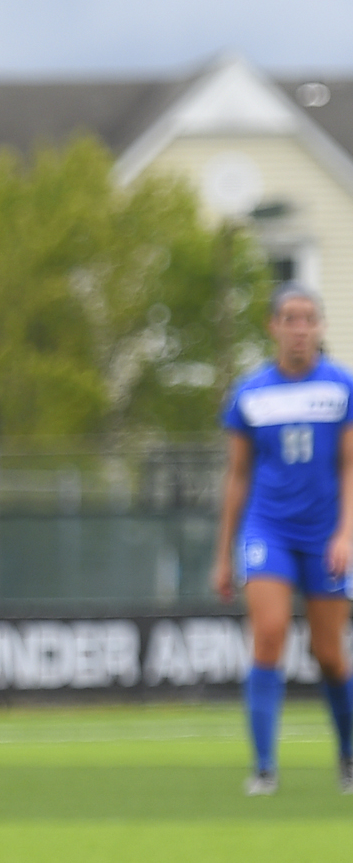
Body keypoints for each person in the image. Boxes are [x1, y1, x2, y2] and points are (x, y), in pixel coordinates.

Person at [209, 282, 353, 796]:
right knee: (268, 636)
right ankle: (264, 768)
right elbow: (238, 476)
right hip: (267, 528)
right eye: (290, 318)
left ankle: (348, 756)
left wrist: (346, 533)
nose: (299, 328)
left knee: (329, 652)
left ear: (320, 326)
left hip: (325, 535)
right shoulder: (249, 393)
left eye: (308, 318)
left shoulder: (341, 386)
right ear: (273, 326)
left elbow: (350, 467)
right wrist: (224, 554)